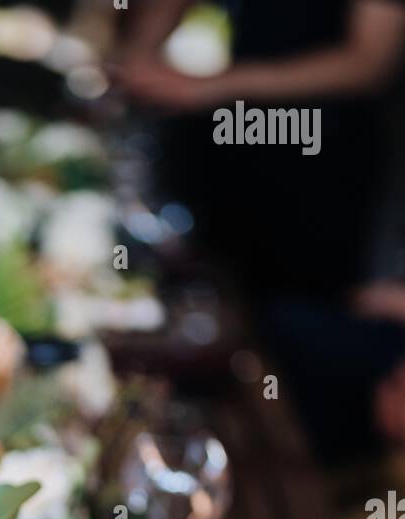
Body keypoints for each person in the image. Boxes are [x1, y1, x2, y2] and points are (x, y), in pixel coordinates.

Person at [116, 0, 405, 297]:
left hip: (320, 158)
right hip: (234, 137)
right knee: (202, 280)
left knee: (294, 306)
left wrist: (213, 87)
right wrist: (139, 58)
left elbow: (368, 63)